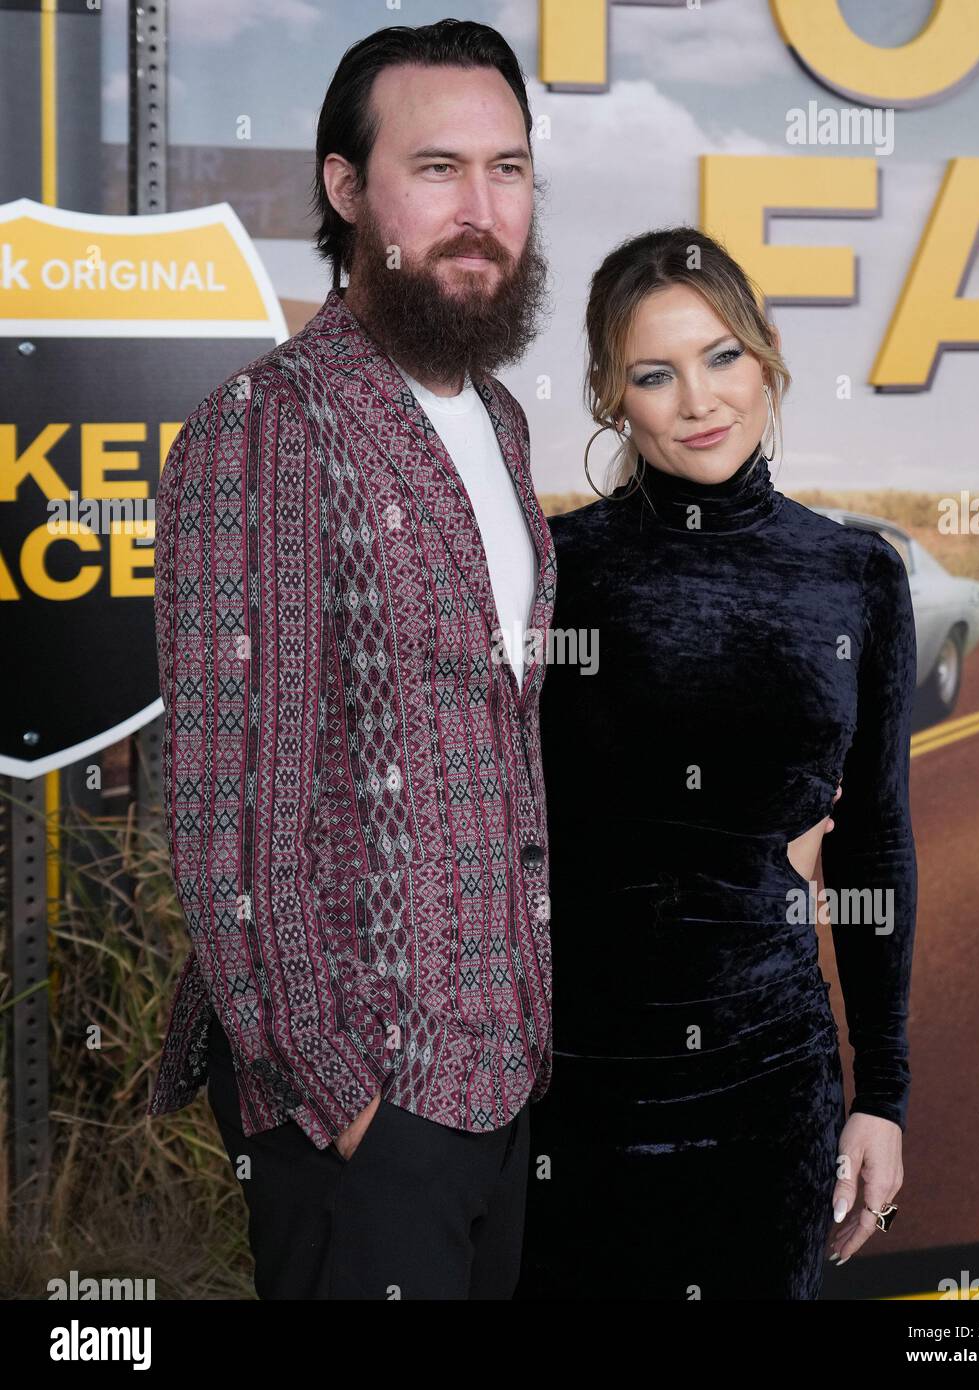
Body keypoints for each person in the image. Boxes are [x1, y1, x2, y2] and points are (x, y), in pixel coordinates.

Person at [149, 19, 555, 1299]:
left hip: (502, 1071)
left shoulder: (498, 421)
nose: (480, 209)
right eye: (436, 169)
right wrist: (334, 1089)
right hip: (364, 1103)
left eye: (508, 170)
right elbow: (224, 806)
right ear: (343, 187)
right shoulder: (264, 426)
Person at [516, 226, 917, 1300]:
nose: (698, 399)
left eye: (721, 356)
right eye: (655, 372)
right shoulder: (551, 569)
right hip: (570, 1095)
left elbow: (873, 839)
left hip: (770, 1086)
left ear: (766, 356)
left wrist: (879, 1093)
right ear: (611, 395)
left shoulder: (856, 576)